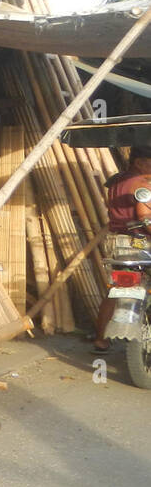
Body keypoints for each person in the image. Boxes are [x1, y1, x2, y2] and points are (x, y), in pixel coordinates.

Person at [94, 145, 151, 352]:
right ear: (139, 162)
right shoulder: (143, 184)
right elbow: (146, 219)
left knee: (114, 291)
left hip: (117, 241)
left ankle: (100, 339)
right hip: (140, 243)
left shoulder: (116, 181)